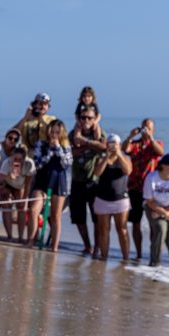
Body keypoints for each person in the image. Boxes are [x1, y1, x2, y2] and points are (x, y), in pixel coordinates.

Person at [26, 119, 72, 251]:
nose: (54, 135)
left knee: (55, 215)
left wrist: (57, 149)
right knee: (34, 209)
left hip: (59, 180)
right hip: (42, 179)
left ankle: (54, 247)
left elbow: (67, 164)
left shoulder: (65, 146)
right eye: (52, 131)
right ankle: (31, 240)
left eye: (57, 132)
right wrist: (49, 153)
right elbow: (38, 163)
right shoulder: (41, 144)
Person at [122, 118, 164, 260]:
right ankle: (139, 253)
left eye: (149, 128)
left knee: (154, 223)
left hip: (151, 190)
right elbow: (123, 149)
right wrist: (130, 136)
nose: (146, 131)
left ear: (153, 130)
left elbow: (160, 152)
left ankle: (153, 253)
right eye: (144, 128)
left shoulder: (155, 144)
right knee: (135, 222)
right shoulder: (135, 144)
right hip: (135, 187)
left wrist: (150, 138)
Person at [69, 103, 106, 255]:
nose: (86, 120)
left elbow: (104, 147)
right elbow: (72, 151)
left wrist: (86, 142)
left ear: (95, 119)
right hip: (77, 179)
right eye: (83, 117)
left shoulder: (99, 133)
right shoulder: (73, 133)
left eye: (89, 117)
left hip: (94, 181)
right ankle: (87, 245)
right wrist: (90, 146)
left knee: (96, 217)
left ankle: (97, 246)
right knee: (78, 216)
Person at [93, 134, 131, 261]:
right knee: (103, 229)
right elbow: (97, 173)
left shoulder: (125, 157)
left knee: (122, 229)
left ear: (119, 145)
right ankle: (104, 256)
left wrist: (119, 154)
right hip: (103, 198)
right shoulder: (100, 158)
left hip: (120, 199)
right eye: (110, 143)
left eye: (115, 143)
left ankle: (126, 257)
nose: (113, 146)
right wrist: (106, 157)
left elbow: (127, 171)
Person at [0, 145, 36, 242]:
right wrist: (8, 178)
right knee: (6, 205)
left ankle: (21, 237)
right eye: (15, 159)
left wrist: (24, 198)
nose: (17, 161)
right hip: (7, 184)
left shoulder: (29, 164)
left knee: (22, 208)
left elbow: (28, 184)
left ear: (23, 159)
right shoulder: (7, 163)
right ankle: (9, 235)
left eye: (19, 159)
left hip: (21, 185)